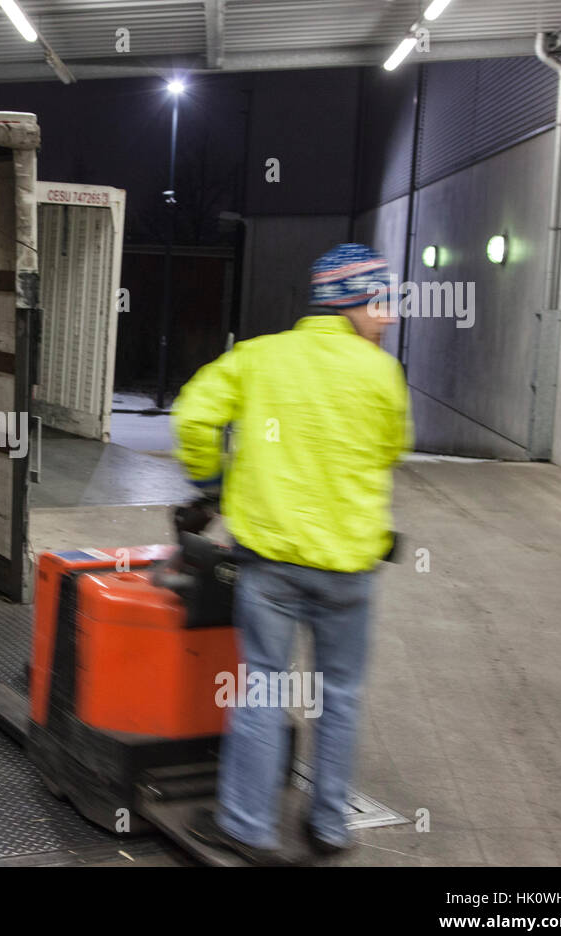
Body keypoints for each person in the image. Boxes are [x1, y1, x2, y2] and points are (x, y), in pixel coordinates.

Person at [170, 242, 413, 865]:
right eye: (379, 304)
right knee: (343, 696)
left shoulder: (262, 357)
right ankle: (329, 826)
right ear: (350, 303)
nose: (387, 318)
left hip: (271, 568)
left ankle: (247, 827)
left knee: (263, 689)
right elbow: (391, 451)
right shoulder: (382, 374)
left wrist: (211, 485)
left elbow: (193, 417)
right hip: (350, 573)